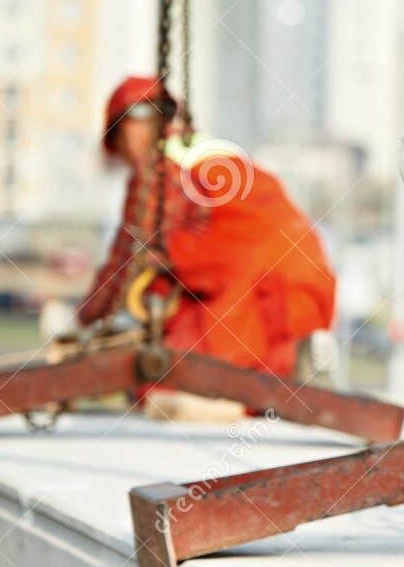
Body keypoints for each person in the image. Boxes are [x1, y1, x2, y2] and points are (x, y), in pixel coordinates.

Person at [78, 76, 337, 384]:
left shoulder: (157, 169)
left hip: (247, 289)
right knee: (259, 377)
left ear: (128, 129)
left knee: (172, 378)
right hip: (304, 289)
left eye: (120, 147)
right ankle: (293, 362)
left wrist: (85, 320)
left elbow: (126, 261)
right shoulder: (212, 156)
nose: (126, 159)